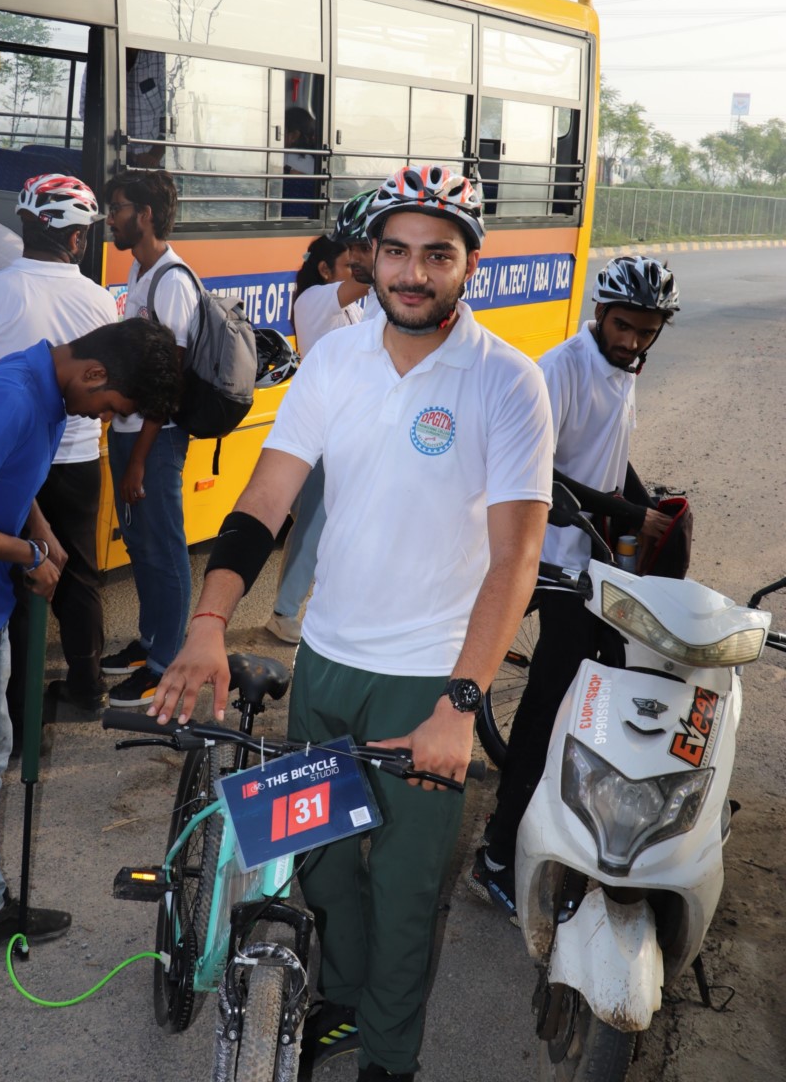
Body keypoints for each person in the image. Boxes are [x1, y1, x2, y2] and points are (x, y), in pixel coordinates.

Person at [148, 164, 554, 1081]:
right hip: (329, 663)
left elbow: (515, 559)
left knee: (407, 892)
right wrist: (211, 618)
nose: (413, 274)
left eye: (437, 255)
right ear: (370, 258)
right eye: (397, 252)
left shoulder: (508, 382)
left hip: (427, 678)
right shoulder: (337, 356)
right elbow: (266, 497)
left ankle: (390, 1059)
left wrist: (460, 702)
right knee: (321, 863)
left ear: (470, 266)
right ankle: (346, 1002)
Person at [468, 255, 680, 922]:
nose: (634, 342)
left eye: (647, 332)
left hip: (587, 557)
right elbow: (540, 468)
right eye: (624, 327)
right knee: (549, 704)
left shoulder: (626, 369)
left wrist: (650, 504)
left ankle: (565, 814)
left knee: (599, 676)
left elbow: (608, 458)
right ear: (600, 313)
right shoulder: (560, 369)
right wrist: (622, 514)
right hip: (545, 554)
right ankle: (495, 855)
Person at [0, 318, 179, 952]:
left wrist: (42, 535)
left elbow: (20, 476)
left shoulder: (46, 391)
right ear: (93, 374)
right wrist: (26, 553)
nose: (101, 420)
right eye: (109, 408)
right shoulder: (16, 392)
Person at [0, 175, 118, 743]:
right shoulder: (96, 297)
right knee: (80, 575)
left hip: (6, 460)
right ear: (77, 240)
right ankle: (87, 686)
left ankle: (20, 713)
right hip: (77, 457)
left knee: (17, 584)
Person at [101, 170, 199, 707]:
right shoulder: (142, 274)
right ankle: (150, 641)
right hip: (129, 432)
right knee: (140, 544)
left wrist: (139, 458)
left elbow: (170, 383)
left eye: (117, 207)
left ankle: (166, 664)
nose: (110, 218)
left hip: (153, 441)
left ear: (144, 214)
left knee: (164, 547)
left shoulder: (172, 282)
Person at [265, 235, 369, 644]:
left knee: (330, 523)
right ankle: (283, 612)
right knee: (313, 524)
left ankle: (311, 605)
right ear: (325, 270)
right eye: (349, 263)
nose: (356, 269)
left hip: (347, 430)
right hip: (321, 431)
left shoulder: (349, 310)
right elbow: (370, 279)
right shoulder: (314, 300)